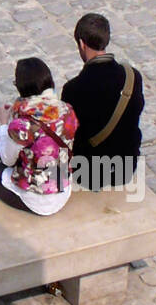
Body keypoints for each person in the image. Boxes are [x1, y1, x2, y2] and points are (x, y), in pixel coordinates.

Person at [0, 58, 79, 215]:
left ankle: (1, 217)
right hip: (63, 189)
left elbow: (8, 159)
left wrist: (4, 123)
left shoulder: (22, 124)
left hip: (36, 200)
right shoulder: (67, 111)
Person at [61, 12, 144, 190]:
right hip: (125, 168)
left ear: (82, 44)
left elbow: (69, 136)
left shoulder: (73, 89)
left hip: (89, 174)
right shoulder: (132, 76)